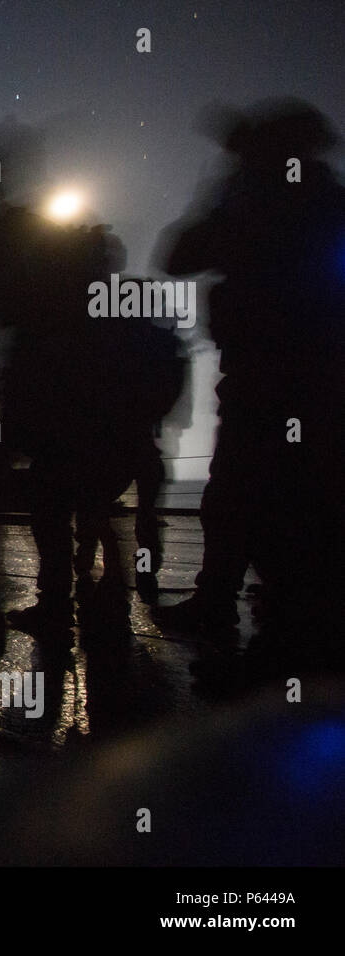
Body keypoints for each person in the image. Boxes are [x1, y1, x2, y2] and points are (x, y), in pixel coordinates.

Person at [155, 98, 345, 672]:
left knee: (239, 488)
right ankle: (292, 606)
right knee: (300, 487)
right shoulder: (321, 196)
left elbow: (179, 255)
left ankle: (227, 604)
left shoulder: (258, 197)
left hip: (269, 370)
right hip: (311, 372)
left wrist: (228, 191)